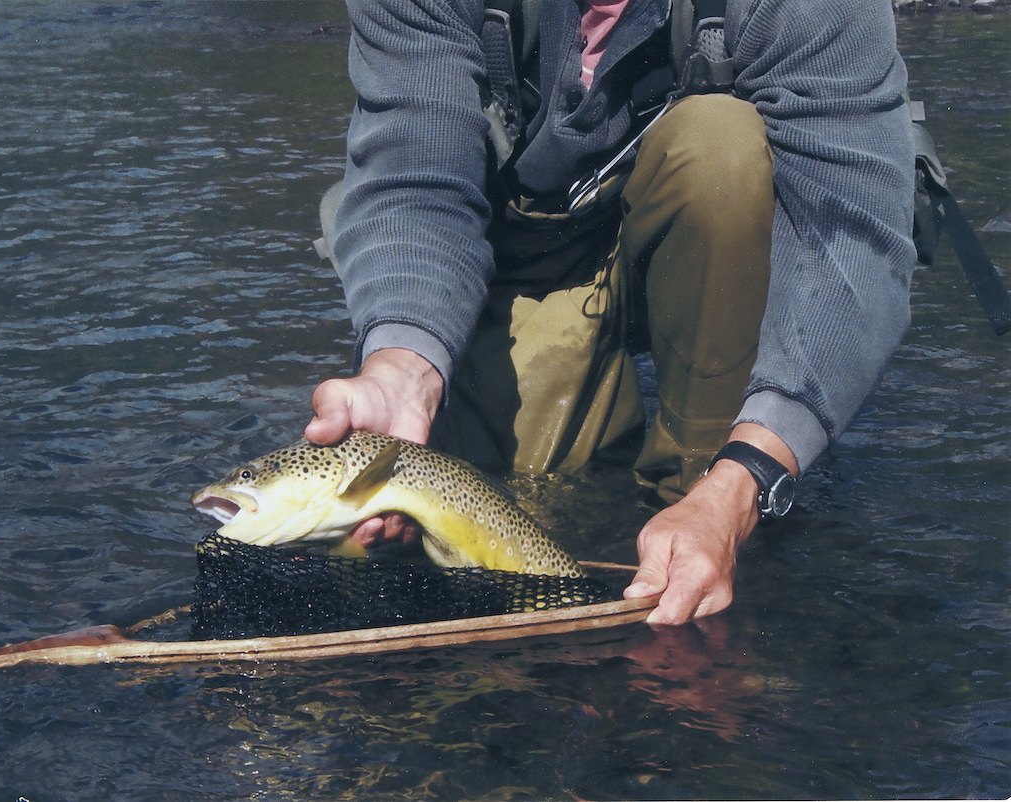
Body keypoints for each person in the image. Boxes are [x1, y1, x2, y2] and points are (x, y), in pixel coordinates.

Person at [304, 0, 917, 625]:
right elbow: (416, 175)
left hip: (713, 233)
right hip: (519, 253)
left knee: (722, 148)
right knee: (494, 517)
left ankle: (707, 528)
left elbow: (852, 241)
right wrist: (403, 368)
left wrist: (744, 477)